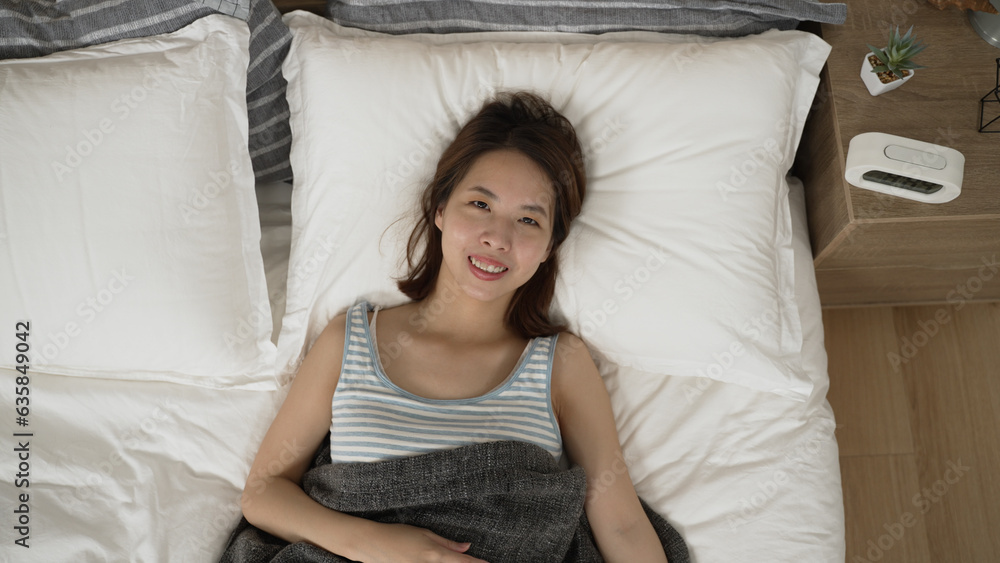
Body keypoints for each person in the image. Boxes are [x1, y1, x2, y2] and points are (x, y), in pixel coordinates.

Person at [240, 91, 669, 562]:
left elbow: (623, 525)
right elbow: (264, 492)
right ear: (441, 209)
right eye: (480, 205)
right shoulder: (351, 340)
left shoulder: (561, 363)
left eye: (529, 219)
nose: (498, 237)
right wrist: (381, 545)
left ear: (549, 246)